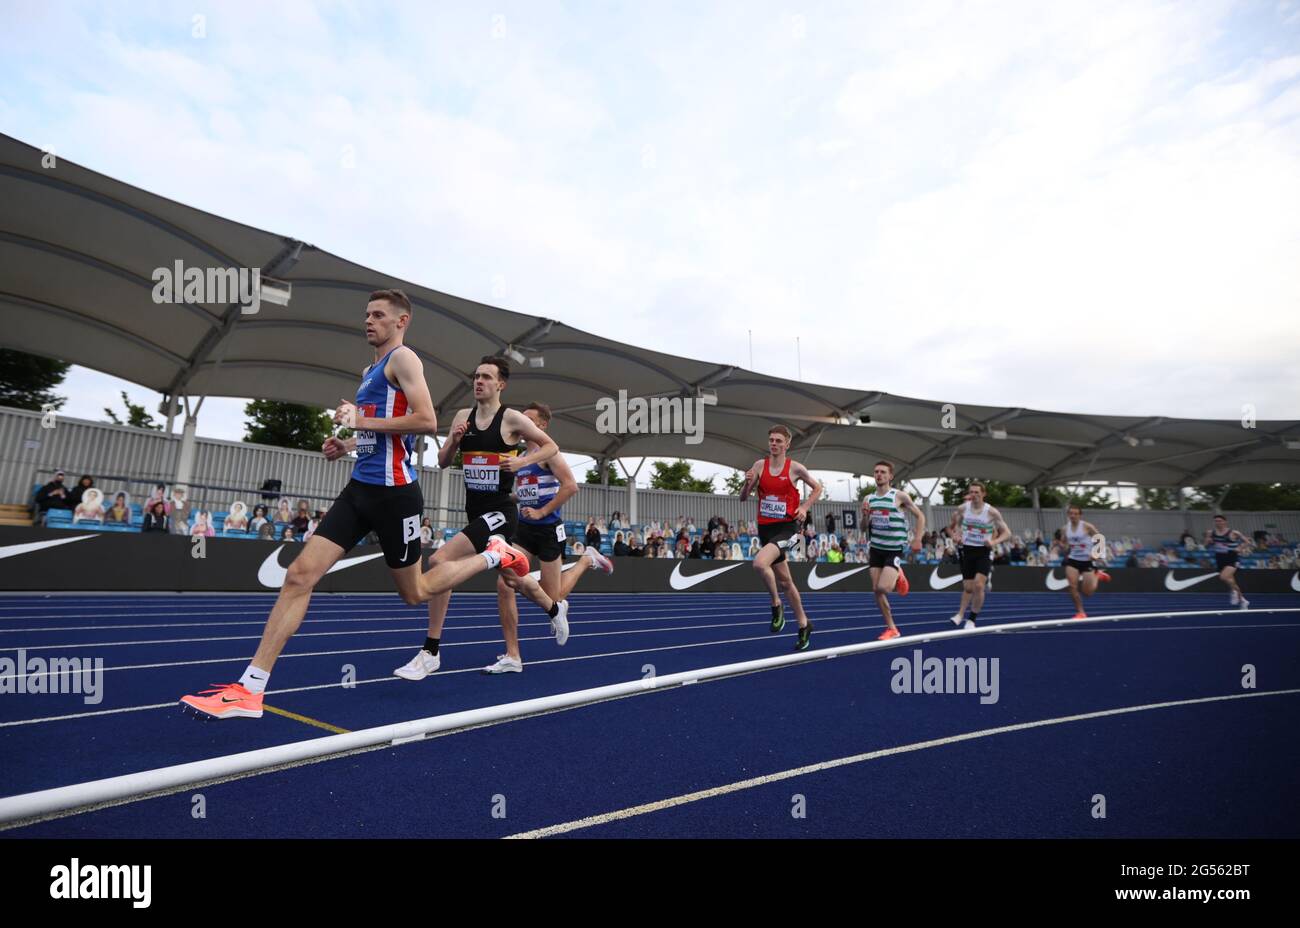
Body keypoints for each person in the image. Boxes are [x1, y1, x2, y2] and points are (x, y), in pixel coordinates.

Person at [181, 290, 533, 719]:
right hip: (358, 491)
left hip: (395, 497)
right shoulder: (369, 371)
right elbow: (380, 433)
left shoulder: (405, 360)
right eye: (367, 314)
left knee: (416, 592)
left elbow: (425, 421)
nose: (369, 321)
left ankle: (493, 556)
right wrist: (346, 444)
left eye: (379, 315)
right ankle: (250, 689)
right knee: (298, 576)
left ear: (401, 322)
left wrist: (360, 421)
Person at [393, 356, 574, 680]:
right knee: (512, 580)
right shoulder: (464, 416)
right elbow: (444, 461)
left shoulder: (512, 419)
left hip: (501, 513)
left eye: (486, 377)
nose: (479, 381)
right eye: (476, 376)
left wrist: (521, 463)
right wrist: (455, 440)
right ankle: (554, 608)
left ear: (500, 384)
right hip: (475, 512)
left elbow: (550, 446)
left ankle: (431, 650)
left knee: (440, 559)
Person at [474, 402, 612, 672]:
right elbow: (526, 492)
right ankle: (513, 656)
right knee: (504, 584)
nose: (521, 423)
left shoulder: (550, 454)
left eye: (528, 419)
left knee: (554, 595)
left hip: (548, 530)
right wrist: (507, 498)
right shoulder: (520, 457)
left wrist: (542, 511)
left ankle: (585, 560)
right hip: (523, 531)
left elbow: (571, 486)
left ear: (542, 425)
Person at [739, 424, 822, 651]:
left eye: (778, 441)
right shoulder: (759, 466)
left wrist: (804, 506)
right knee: (786, 582)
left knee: (759, 563)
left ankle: (776, 605)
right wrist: (747, 484)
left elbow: (817, 487)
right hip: (766, 529)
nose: (774, 444)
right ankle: (804, 625)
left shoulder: (795, 468)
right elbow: (743, 498)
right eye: (771, 440)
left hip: (790, 530)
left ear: (787, 444)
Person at [862, 461, 925, 640]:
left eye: (883, 472)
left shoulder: (899, 496)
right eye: (876, 472)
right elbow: (863, 527)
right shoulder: (868, 499)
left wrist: (918, 538)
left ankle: (898, 574)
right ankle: (892, 629)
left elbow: (920, 516)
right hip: (875, 549)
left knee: (884, 588)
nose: (879, 475)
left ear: (891, 476)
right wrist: (865, 516)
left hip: (893, 550)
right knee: (876, 590)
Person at [947, 483, 1009, 629]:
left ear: (983, 494)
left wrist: (994, 541)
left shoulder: (991, 512)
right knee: (968, 588)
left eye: (977, 492)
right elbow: (953, 524)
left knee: (979, 585)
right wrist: (956, 534)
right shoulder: (963, 508)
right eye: (971, 492)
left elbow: (1007, 533)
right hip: (967, 550)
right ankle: (960, 614)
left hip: (983, 551)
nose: (974, 495)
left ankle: (972, 619)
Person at [1059, 505, 1113, 618]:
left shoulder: (1087, 526)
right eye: (1071, 513)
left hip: (1087, 561)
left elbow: (1100, 539)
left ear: (1080, 515)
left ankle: (1097, 575)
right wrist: (1062, 545)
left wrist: (1096, 554)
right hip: (1073, 560)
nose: (1073, 516)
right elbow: (1064, 541)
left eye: (1075, 513)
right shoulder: (1065, 528)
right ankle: (1080, 612)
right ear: (1068, 515)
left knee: (1087, 593)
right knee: (1072, 586)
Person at [1205, 514, 1251, 609]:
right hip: (1219, 557)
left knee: (1223, 577)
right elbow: (1205, 545)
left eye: (1220, 521)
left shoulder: (1234, 532)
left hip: (1232, 557)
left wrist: (1240, 547)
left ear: (1225, 522)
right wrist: (1208, 540)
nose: (1218, 523)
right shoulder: (1211, 532)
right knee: (1230, 580)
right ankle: (1243, 600)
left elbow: (1247, 542)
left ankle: (1234, 592)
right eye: (1216, 521)